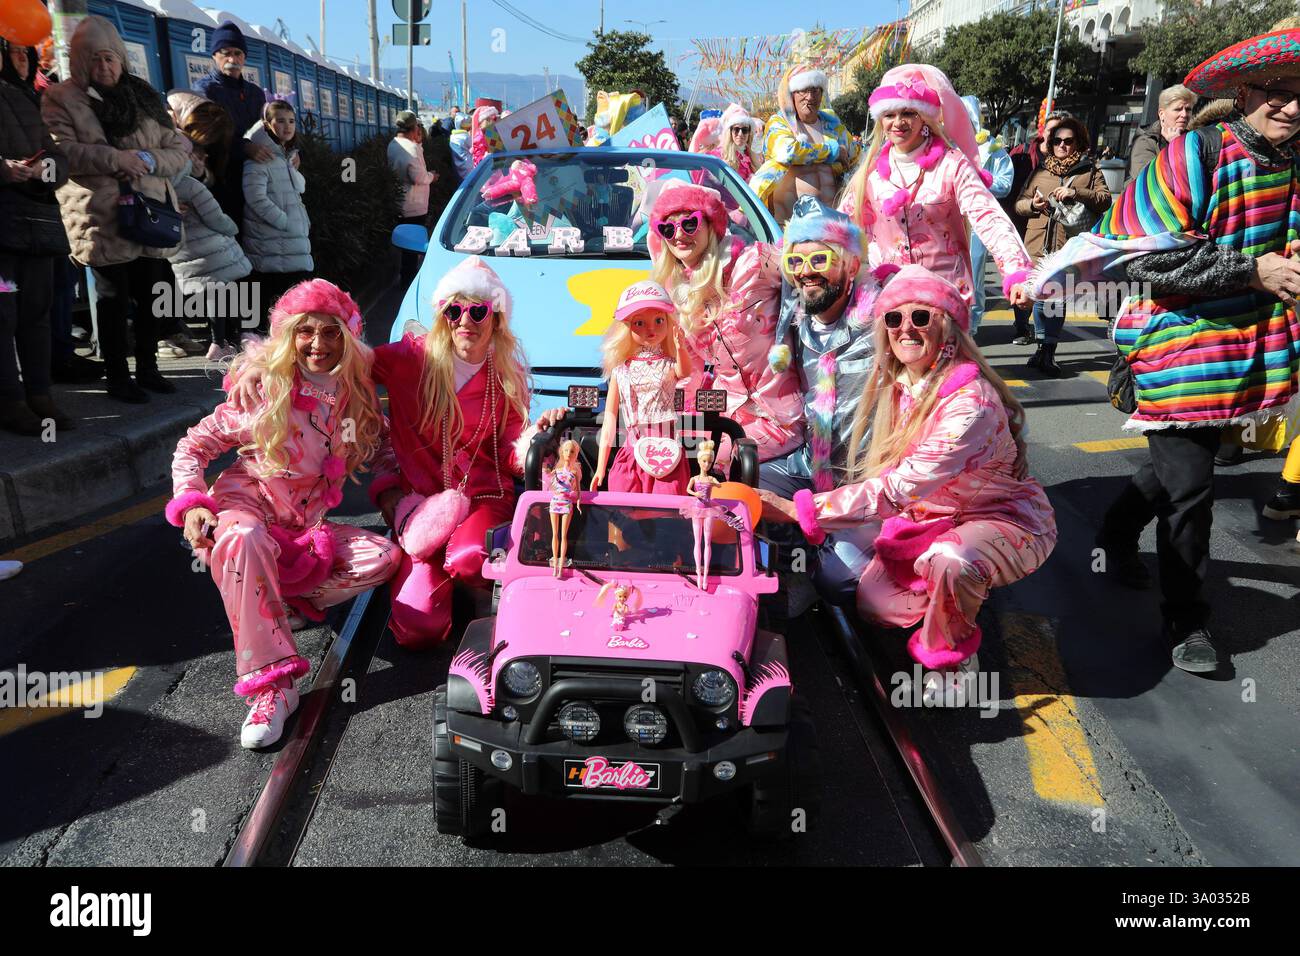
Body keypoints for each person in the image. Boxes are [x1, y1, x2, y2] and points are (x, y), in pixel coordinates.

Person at [1030, 27, 1300, 673]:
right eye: (1278, 93)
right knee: (1192, 489)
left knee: (1182, 467)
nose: (1292, 108)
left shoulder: (1294, 164)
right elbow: (1146, 253)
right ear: (1243, 90)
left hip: (1248, 344)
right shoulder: (1194, 153)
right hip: (1178, 342)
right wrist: (1251, 270)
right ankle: (1188, 622)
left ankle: (1117, 533)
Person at [759, 265, 1056, 703]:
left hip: (1000, 521)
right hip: (925, 515)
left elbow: (898, 487)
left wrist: (793, 509)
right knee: (863, 597)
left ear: (949, 325)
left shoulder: (969, 405)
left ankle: (952, 655)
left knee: (952, 560)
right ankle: (949, 593)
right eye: (894, 319)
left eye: (922, 317)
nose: (906, 329)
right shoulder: (898, 382)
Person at [166, 280, 400, 748]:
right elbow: (193, 446)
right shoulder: (264, 390)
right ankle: (273, 687)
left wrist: (410, 497)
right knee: (244, 540)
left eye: (331, 332)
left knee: (383, 559)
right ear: (288, 336)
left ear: (349, 337)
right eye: (306, 332)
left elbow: (386, 450)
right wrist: (192, 503)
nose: (318, 344)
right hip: (246, 509)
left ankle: (279, 601)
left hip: (303, 527)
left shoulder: (354, 398)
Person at [42, 15, 189, 404]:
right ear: (80, 63)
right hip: (102, 216)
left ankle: (148, 368)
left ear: (122, 60)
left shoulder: (143, 96)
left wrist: (147, 157)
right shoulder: (62, 97)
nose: (104, 67)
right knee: (112, 300)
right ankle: (118, 377)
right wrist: (116, 158)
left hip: (150, 210)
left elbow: (180, 150)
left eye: (110, 59)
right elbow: (62, 152)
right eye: (95, 60)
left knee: (151, 295)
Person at [760, 197, 884, 606]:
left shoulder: (885, 316)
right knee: (743, 484)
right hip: (811, 462)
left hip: (868, 476)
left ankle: (823, 560)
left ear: (850, 264)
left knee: (839, 582)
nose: (805, 273)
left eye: (818, 259)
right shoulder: (798, 317)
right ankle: (788, 560)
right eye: (796, 262)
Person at [840, 64, 1033, 315]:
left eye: (908, 112)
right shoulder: (871, 175)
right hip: (890, 304)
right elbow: (841, 229)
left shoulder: (953, 164)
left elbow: (989, 217)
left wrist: (1016, 270)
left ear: (924, 116)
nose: (898, 122)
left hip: (945, 302)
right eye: (889, 114)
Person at [647, 181, 803, 461]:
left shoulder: (754, 263)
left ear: (711, 223)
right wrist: (661, 415)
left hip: (782, 419)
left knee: (705, 462)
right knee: (665, 453)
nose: (679, 235)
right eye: (668, 229)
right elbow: (689, 369)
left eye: (690, 223)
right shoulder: (677, 292)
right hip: (726, 417)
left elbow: (808, 272)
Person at [0, 37, 74, 435]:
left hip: (37, 224)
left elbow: (58, 159)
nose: (21, 61)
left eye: (25, 54)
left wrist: (42, 172)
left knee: (36, 314)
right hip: (4, 229)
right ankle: (10, 401)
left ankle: (40, 395)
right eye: (11, 53)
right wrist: (3, 169)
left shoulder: (31, 99)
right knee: (2, 315)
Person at [1014, 115, 1111, 376]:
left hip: (1068, 245)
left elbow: (1105, 200)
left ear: (1078, 143)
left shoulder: (1089, 171)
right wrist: (1032, 205)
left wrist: (1076, 193)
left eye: (1068, 141)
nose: (1062, 146)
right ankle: (1042, 347)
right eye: (1057, 141)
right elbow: (1020, 204)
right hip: (1037, 241)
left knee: (1055, 295)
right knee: (1038, 295)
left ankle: (1047, 350)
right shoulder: (1041, 172)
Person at [165, 94, 250, 362]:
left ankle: (220, 341)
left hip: (184, 246)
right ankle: (225, 341)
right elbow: (214, 214)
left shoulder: (181, 166)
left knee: (213, 292)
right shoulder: (189, 182)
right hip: (211, 244)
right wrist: (231, 228)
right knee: (225, 291)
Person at [590, 280, 692, 495]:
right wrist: (600, 467)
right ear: (626, 327)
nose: (651, 329)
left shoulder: (668, 363)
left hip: (668, 456)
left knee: (668, 515)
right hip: (632, 453)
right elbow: (609, 419)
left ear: (669, 322)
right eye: (639, 323)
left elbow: (684, 372)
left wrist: (680, 347)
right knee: (626, 515)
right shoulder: (621, 369)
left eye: (658, 320)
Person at [750, 65, 861, 224]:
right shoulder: (779, 123)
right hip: (788, 230)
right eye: (803, 90)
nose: (810, 97)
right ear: (791, 95)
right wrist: (832, 152)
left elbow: (857, 159)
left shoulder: (833, 127)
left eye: (816, 90)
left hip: (832, 226)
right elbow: (788, 152)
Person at [242, 100, 311, 330]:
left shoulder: (286, 156)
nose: (287, 126)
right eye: (280, 121)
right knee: (277, 309)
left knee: (291, 309)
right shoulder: (261, 157)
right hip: (273, 245)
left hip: (289, 243)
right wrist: (285, 222)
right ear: (266, 125)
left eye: (291, 121)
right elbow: (256, 198)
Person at [193, 21, 267, 223]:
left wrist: (293, 151)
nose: (232, 58)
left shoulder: (255, 93)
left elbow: (271, 130)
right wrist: (244, 147)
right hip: (221, 179)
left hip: (256, 177)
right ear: (214, 56)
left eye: (238, 53)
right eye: (225, 52)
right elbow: (207, 136)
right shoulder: (204, 90)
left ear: (244, 57)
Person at [961, 95, 1014, 335]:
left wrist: (981, 182)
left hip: (978, 220)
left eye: (966, 119)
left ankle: (970, 330)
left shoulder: (993, 150)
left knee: (974, 274)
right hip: (947, 219)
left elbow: (1005, 184)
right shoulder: (946, 145)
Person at [388, 110, 437, 289]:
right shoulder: (411, 148)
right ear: (414, 127)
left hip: (400, 201)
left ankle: (404, 276)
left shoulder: (393, 144)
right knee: (412, 246)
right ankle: (408, 283)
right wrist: (432, 176)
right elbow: (419, 177)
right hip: (414, 204)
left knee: (403, 244)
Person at [1127, 84, 1196, 185]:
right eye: (1178, 109)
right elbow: (1149, 181)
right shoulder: (1145, 141)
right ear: (1161, 114)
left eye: (1188, 109)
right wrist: (1175, 145)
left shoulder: (1192, 138)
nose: (1184, 114)